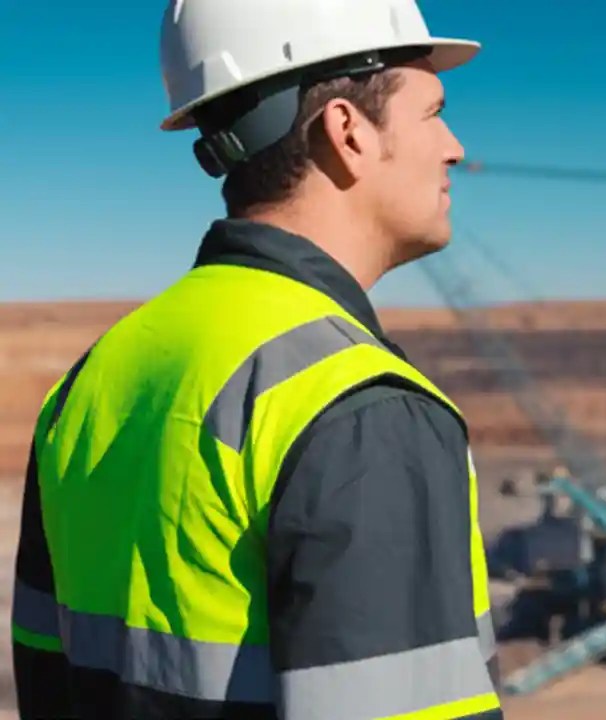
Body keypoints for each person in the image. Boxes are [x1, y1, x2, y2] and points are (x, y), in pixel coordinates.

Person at [9, 0, 502, 717]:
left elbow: (46, 676)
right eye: (432, 113)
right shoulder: (361, 409)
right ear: (348, 133)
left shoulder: (94, 378)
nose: (454, 146)